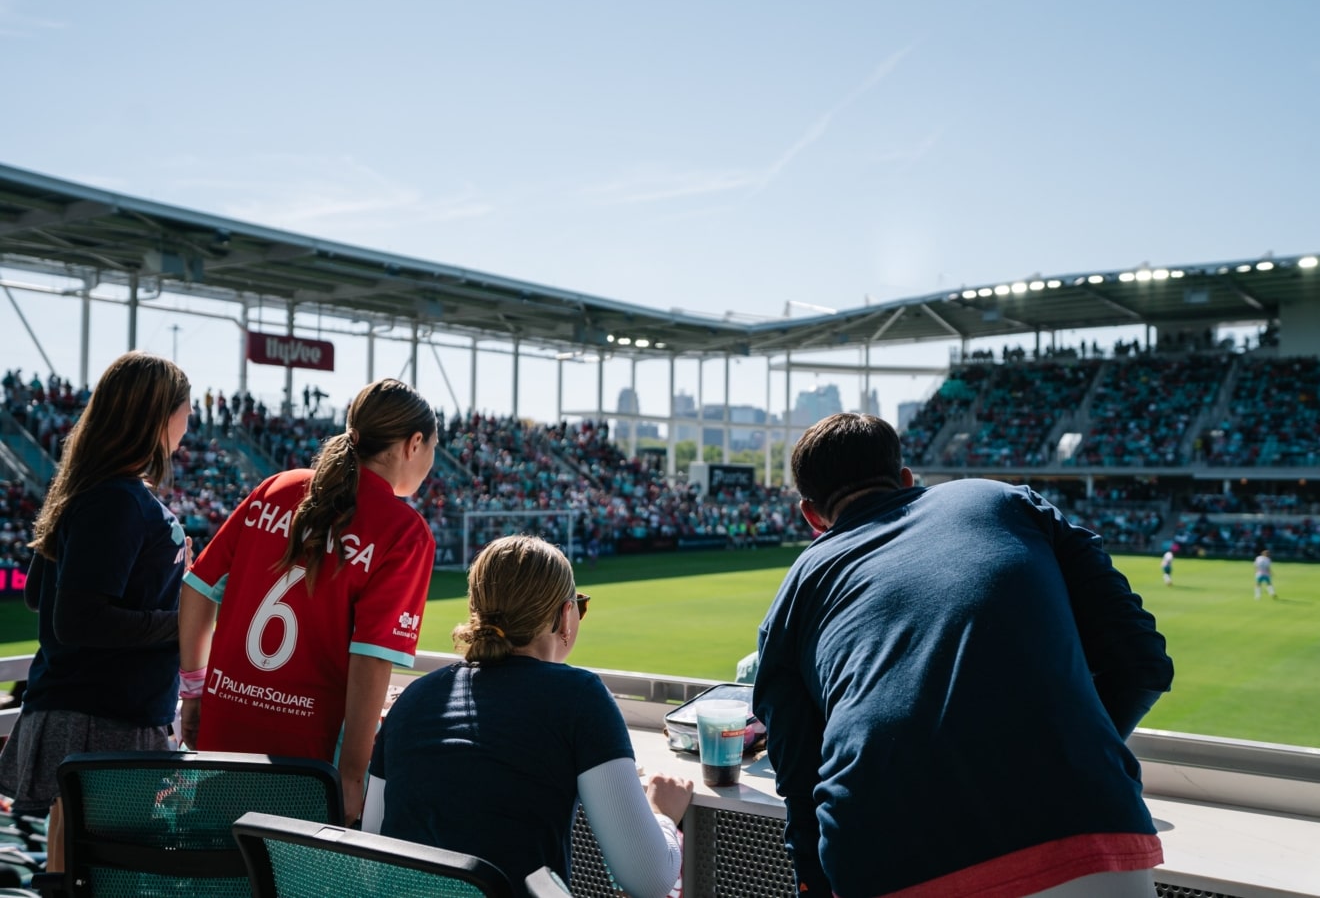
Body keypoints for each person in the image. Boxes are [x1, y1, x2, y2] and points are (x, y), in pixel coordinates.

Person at [752, 413, 1173, 898]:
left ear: (811, 516)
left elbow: (799, 783)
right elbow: (1143, 663)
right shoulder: (1007, 500)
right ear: (907, 479)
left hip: (885, 859)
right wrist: (1057, 755)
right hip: (1089, 829)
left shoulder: (795, 591)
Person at [364, 535, 691, 897]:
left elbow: (371, 850)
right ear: (565, 617)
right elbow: (649, 880)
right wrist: (663, 814)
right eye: (579, 607)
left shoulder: (413, 698)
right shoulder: (579, 696)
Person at [179, 378, 438, 822]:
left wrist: (195, 691)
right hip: (308, 767)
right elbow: (371, 658)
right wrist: (352, 776)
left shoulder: (277, 487)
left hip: (222, 736)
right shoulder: (403, 532)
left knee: (215, 858)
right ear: (414, 444)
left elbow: (197, 588)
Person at [0, 352, 193, 872]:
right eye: (185, 407)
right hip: (104, 715)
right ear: (157, 415)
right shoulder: (116, 500)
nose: (190, 419)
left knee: (71, 869)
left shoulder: (92, 490)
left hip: (90, 708)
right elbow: (78, 619)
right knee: (100, 874)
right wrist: (183, 625)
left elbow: (40, 595)